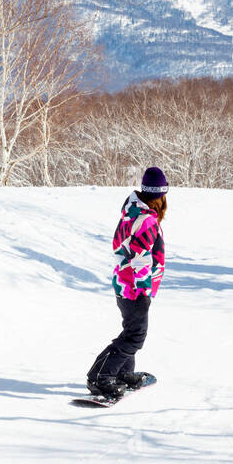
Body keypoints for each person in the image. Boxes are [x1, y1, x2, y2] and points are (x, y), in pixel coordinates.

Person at [86, 166, 168, 400]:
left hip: (124, 282)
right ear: (161, 195)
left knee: (131, 331)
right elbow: (141, 257)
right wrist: (143, 290)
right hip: (134, 287)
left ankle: (122, 373)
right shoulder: (146, 220)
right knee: (135, 336)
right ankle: (100, 376)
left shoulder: (132, 212)